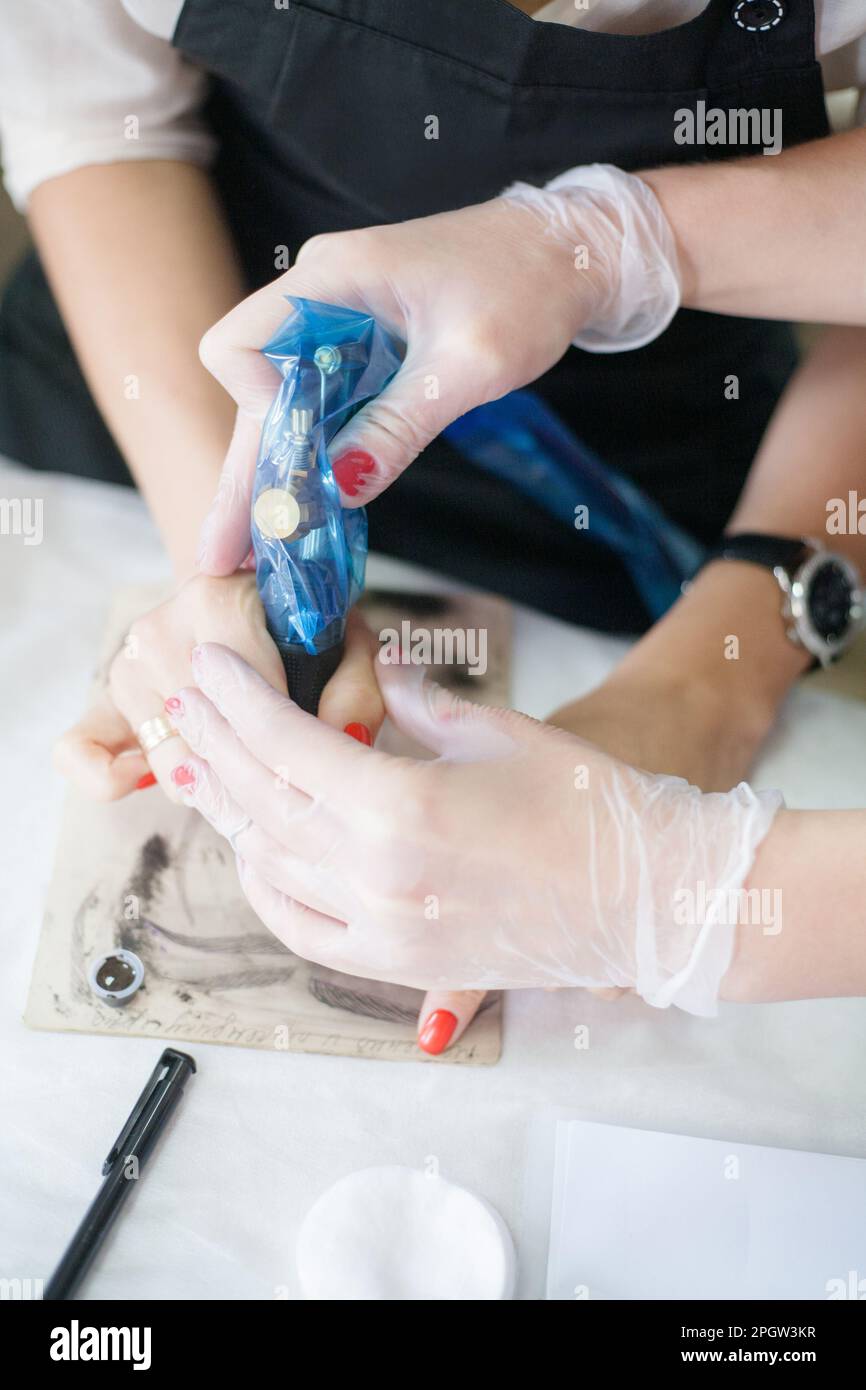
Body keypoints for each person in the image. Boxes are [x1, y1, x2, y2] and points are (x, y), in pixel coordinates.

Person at [2, 0, 866, 1046]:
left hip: (636, 482)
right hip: (176, 356)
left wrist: (698, 701)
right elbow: (98, 124)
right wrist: (238, 572)